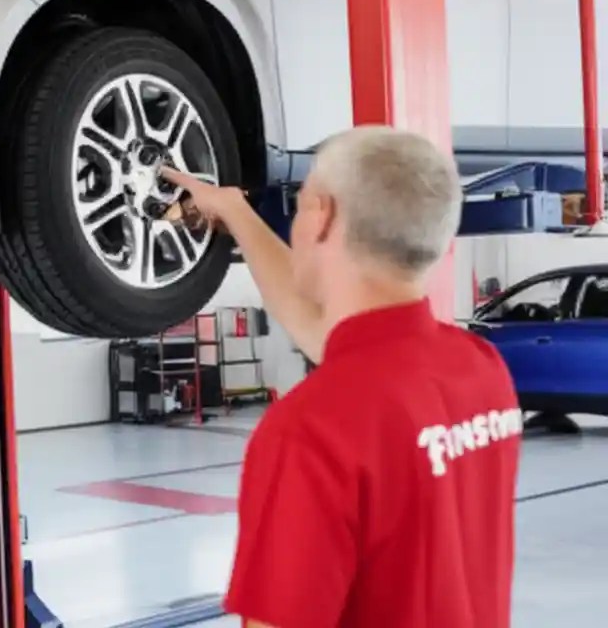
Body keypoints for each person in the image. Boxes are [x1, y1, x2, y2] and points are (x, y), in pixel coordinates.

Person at [162, 125, 520, 628]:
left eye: (301, 203)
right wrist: (236, 213)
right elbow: (326, 330)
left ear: (323, 215)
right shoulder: (481, 370)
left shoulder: (310, 429)